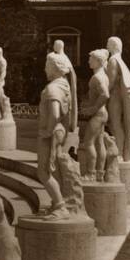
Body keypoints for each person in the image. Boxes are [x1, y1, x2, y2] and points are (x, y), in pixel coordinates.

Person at [37, 51, 83, 218]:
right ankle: (58, 203)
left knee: (43, 171)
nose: (45, 68)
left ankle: (60, 206)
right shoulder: (64, 85)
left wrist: (46, 131)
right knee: (53, 170)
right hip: (60, 132)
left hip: (51, 134)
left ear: (55, 68)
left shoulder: (53, 88)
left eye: (47, 65)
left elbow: (55, 113)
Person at [81, 49, 111, 180]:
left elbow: (105, 95)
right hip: (103, 113)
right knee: (99, 143)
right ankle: (100, 173)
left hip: (98, 114)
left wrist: (92, 109)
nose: (88, 61)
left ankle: (90, 173)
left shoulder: (97, 77)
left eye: (91, 59)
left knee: (88, 143)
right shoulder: (104, 76)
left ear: (98, 61)